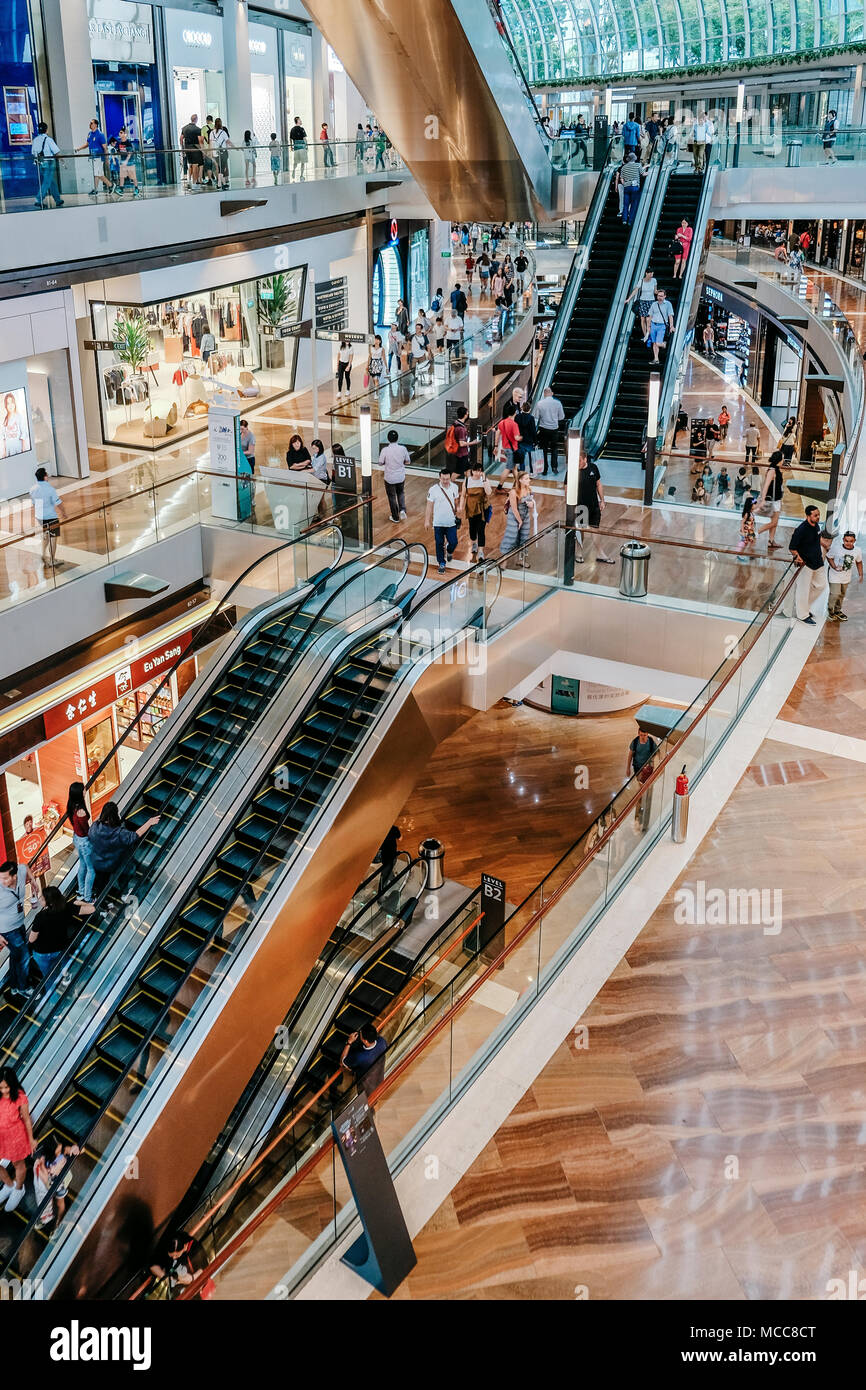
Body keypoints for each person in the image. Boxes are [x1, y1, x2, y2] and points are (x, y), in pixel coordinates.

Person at [88, 802, 159, 898]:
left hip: (95, 862)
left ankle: (97, 898)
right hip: (110, 864)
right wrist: (149, 822)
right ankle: (122, 894)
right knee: (124, 869)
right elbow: (135, 835)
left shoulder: (95, 826)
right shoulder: (119, 833)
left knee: (100, 883)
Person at [0, 858, 39, 1004]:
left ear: (14, 876)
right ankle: (23, 987)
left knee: (16, 955)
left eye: (5, 878)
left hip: (19, 923)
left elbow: (24, 866)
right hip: (6, 929)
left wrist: (33, 881)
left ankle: (14, 985)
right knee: (23, 956)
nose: (2, 881)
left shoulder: (20, 872)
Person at [0, 1067, 35, 1213]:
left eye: (6, 1087)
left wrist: (31, 1139)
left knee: (18, 1165)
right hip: (1, 1135)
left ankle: (18, 1188)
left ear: (12, 1084)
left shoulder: (20, 1096)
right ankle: (8, 1185)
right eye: (0, 1087)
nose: (3, 1091)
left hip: (15, 1135)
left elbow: (26, 1119)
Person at [789, 505, 830, 625]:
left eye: (818, 515)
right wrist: (798, 557)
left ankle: (804, 607)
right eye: (815, 515)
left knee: (821, 585)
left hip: (817, 561)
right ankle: (802, 615)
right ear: (808, 516)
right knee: (803, 589)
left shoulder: (816, 525)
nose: (818, 517)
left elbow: (817, 538)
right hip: (805, 564)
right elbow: (792, 548)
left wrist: (825, 545)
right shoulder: (801, 530)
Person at [32, 1134, 80, 1229]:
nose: (59, 1146)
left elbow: (61, 1205)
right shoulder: (52, 1159)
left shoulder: (59, 1185)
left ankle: (52, 1219)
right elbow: (44, 1170)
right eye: (57, 1147)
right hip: (49, 1179)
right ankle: (45, 1216)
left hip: (55, 1182)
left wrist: (75, 1148)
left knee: (55, 1201)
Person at [28, 884, 74, 981]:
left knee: (48, 976)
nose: (40, 899)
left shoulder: (40, 917)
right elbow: (91, 909)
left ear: (50, 902)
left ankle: (51, 990)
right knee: (64, 965)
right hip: (61, 947)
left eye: (42, 899)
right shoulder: (65, 909)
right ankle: (66, 977)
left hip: (42, 952)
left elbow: (31, 939)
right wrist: (79, 902)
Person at [577, 453, 614, 562]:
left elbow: (599, 484)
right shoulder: (573, 471)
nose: (577, 463)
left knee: (595, 529)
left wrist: (602, 500)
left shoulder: (593, 468)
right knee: (580, 530)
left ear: (585, 459)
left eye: (579, 460)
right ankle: (578, 553)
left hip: (594, 505)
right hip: (580, 506)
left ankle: (600, 554)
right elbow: (567, 488)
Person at [150, 1230, 210, 1298]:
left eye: (176, 1255)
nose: (174, 1258)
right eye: (171, 1256)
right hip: (176, 1289)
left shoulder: (195, 1248)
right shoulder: (168, 1246)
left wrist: (191, 1278)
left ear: (185, 1246)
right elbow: (153, 1266)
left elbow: (205, 1268)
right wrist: (167, 1279)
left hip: (193, 1285)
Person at [425, 466, 461, 574]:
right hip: (438, 522)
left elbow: (456, 501)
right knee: (439, 543)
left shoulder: (454, 487)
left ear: (450, 478)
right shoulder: (433, 490)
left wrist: (457, 509)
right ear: (439, 478)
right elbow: (429, 506)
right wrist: (427, 520)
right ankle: (441, 563)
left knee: (453, 542)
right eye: (443, 479)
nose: (445, 481)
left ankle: (449, 551)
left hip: (451, 522)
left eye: (447, 479)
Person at [67, 781, 95, 912]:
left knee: (82, 865)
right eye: (83, 789)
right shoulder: (81, 812)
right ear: (79, 793)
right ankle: (88, 898)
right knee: (91, 869)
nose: (85, 790)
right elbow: (86, 830)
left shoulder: (71, 805)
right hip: (84, 841)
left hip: (76, 838)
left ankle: (81, 892)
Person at [341, 1022, 387, 1098]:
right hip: (379, 1079)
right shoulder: (382, 1042)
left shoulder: (360, 1057)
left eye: (361, 1034)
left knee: (366, 1101)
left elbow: (343, 1061)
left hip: (365, 1087)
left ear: (365, 1041)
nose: (359, 1035)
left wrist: (349, 1042)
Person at [30, 466, 63, 570]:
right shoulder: (50, 489)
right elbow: (58, 503)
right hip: (51, 517)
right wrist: (64, 513)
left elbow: (34, 504)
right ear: (44, 477)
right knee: (53, 538)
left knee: (46, 535)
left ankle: (43, 555)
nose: (47, 476)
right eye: (46, 474)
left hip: (40, 517)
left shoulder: (32, 489)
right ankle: (52, 560)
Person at [826, 529, 863, 621]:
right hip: (834, 576)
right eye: (846, 541)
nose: (848, 543)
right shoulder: (836, 548)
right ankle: (831, 611)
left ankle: (838, 611)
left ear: (854, 541)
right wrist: (834, 566)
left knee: (841, 595)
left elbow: (859, 562)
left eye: (851, 541)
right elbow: (829, 557)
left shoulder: (857, 551)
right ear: (843, 540)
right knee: (835, 594)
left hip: (846, 577)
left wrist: (860, 574)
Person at [501, 473, 535, 562]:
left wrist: (531, 504)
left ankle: (521, 560)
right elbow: (514, 509)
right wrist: (520, 521)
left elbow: (531, 502)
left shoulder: (529, 489)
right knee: (511, 536)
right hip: (514, 517)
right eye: (527, 479)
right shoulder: (513, 492)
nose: (529, 480)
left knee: (524, 537)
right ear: (520, 480)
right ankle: (503, 560)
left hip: (525, 516)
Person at [462, 463, 492, 560]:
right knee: (472, 529)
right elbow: (463, 495)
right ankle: (474, 543)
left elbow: (489, 492)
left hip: (482, 508)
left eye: (480, 471)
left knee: (481, 530)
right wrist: (460, 506)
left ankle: (480, 552)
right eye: (476, 470)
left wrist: (484, 480)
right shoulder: (467, 481)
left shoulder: (485, 480)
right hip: (471, 508)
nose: (478, 473)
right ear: (472, 471)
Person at [31, 121, 64, 208]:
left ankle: (58, 200)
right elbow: (56, 152)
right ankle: (38, 199)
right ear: (46, 130)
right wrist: (62, 160)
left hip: (40, 163)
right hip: (48, 162)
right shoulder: (48, 140)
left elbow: (33, 153)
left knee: (50, 181)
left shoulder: (35, 140)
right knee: (47, 182)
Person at [757, 450, 785, 548]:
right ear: (779, 459)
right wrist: (763, 499)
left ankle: (771, 541)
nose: (783, 460)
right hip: (772, 500)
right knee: (774, 522)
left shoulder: (776, 469)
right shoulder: (772, 470)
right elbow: (766, 485)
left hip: (776, 499)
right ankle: (756, 532)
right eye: (782, 458)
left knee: (774, 522)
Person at [379, 429, 409, 521]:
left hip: (389, 478)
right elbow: (408, 461)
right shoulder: (403, 449)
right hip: (400, 476)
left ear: (388, 439)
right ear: (397, 438)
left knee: (392, 496)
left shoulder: (385, 450)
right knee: (400, 493)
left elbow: (380, 462)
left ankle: (395, 517)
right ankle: (402, 510)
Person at [534, 386, 564, 475]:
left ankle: (545, 469)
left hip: (543, 429)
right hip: (554, 429)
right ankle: (554, 467)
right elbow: (562, 417)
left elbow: (536, 416)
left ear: (544, 394)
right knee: (554, 448)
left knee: (544, 449)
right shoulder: (558, 403)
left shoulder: (539, 403)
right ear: (552, 393)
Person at [77, 118, 111, 197]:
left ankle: (110, 185)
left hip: (99, 157)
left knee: (98, 174)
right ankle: (95, 190)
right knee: (96, 174)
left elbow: (105, 147)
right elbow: (87, 144)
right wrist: (79, 148)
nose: (90, 124)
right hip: (93, 157)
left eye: (91, 123)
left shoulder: (100, 135)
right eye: (90, 123)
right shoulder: (90, 134)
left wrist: (106, 158)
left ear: (95, 124)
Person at [627, 268, 658, 343]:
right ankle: (646, 336)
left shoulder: (654, 280)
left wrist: (660, 293)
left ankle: (649, 334)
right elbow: (635, 290)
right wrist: (629, 299)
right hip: (643, 301)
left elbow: (655, 291)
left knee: (649, 319)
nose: (651, 275)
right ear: (646, 273)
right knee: (642, 319)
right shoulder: (641, 281)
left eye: (652, 274)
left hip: (651, 301)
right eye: (650, 273)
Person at [647, 289, 674, 365]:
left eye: (661, 296)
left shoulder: (668, 304)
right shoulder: (654, 304)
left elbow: (670, 316)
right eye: (658, 296)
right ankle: (656, 359)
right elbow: (650, 316)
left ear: (665, 296)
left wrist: (671, 326)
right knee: (654, 343)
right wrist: (648, 326)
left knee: (658, 343)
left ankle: (664, 344)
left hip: (662, 326)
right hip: (653, 324)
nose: (660, 297)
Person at [446, 403, 471, 477]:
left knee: (468, 469)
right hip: (461, 453)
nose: (468, 414)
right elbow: (462, 443)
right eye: (467, 412)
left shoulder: (456, 423)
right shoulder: (461, 428)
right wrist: (472, 442)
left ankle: (468, 485)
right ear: (465, 415)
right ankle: (449, 484)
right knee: (457, 472)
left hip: (461, 453)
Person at [495, 401, 521, 474]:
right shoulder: (514, 424)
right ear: (515, 413)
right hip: (512, 448)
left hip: (505, 446)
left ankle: (516, 482)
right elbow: (516, 438)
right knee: (508, 468)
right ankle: (501, 484)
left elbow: (497, 434)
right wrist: (522, 437)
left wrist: (496, 446)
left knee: (513, 467)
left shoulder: (502, 422)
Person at [514, 399, 538, 474]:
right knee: (531, 456)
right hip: (529, 440)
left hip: (520, 440)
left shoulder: (517, 417)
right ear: (530, 409)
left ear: (522, 408)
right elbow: (533, 431)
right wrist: (535, 441)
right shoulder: (531, 418)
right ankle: (531, 471)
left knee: (522, 457)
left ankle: (522, 471)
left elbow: (515, 428)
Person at [618, 152, 641, 226]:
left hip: (626, 187)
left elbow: (621, 178)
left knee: (625, 204)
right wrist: (650, 173)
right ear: (635, 158)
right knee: (633, 204)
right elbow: (643, 173)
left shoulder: (624, 167)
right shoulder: (638, 165)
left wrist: (625, 184)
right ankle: (630, 221)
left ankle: (624, 220)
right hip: (635, 187)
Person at [181, 113, 203, 188]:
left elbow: (181, 138)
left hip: (187, 148)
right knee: (195, 165)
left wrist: (182, 148)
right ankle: (194, 182)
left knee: (190, 164)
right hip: (195, 149)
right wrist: (202, 150)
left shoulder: (184, 128)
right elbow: (200, 141)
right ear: (196, 120)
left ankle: (189, 180)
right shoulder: (198, 129)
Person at [736, 494, 757, 561]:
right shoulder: (747, 514)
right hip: (746, 532)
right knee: (747, 543)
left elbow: (752, 523)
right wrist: (742, 532)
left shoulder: (751, 513)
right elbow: (742, 522)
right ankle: (741, 554)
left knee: (752, 542)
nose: (755, 506)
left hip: (750, 531)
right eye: (754, 504)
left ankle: (749, 554)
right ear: (750, 505)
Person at [289, 116, 308, 181]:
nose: (301, 121)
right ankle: (301, 175)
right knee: (303, 162)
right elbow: (304, 139)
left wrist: (291, 147)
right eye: (300, 120)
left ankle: (294, 170)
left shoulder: (292, 129)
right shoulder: (302, 129)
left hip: (296, 147)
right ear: (297, 121)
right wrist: (306, 146)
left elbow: (290, 139)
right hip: (302, 147)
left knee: (296, 161)